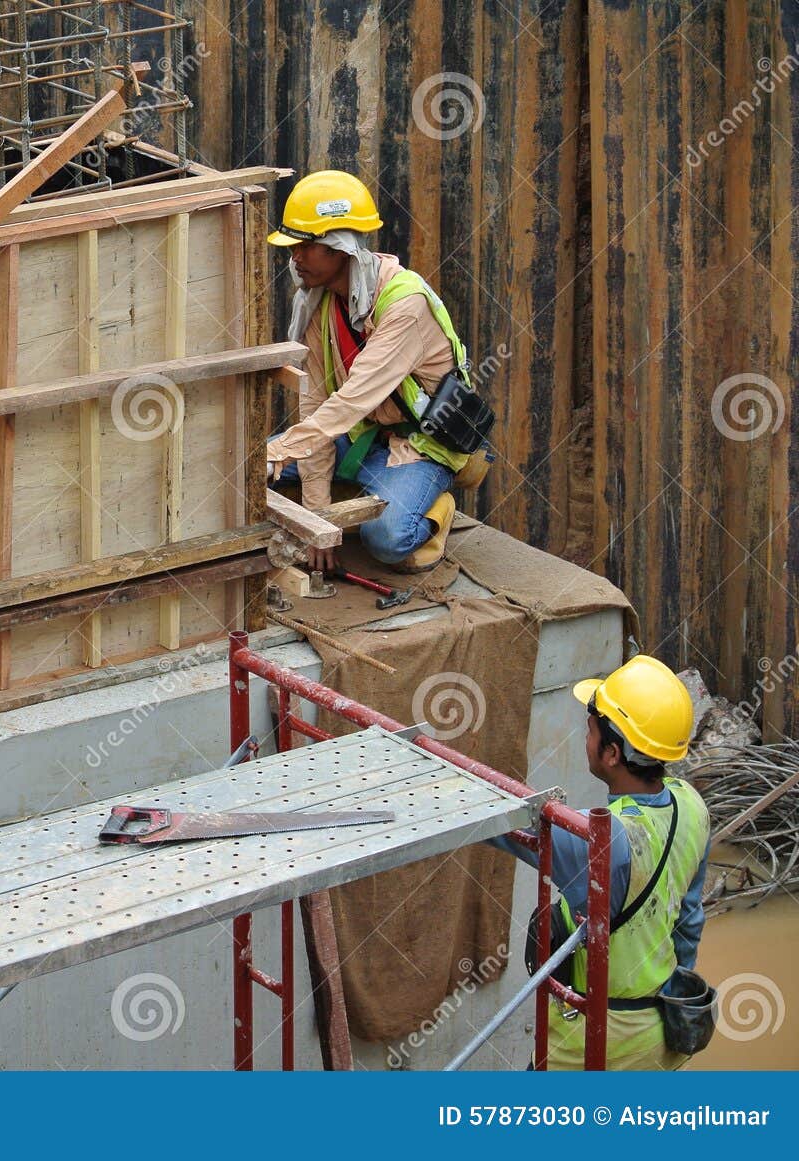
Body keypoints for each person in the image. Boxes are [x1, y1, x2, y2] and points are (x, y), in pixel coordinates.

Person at [488, 655, 710, 1069]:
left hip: (595, 1042)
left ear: (611, 752)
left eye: (589, 730)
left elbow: (495, 821)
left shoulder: (600, 839)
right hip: (664, 1035)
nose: (584, 738)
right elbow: (689, 920)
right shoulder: (691, 805)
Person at [263, 170, 482, 573]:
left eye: (305, 245)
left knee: (387, 540)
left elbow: (352, 398)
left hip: (417, 443)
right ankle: (367, 486)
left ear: (339, 247)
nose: (294, 256)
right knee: (248, 467)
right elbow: (316, 403)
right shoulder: (320, 302)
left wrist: (286, 448)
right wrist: (318, 516)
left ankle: (435, 508)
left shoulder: (404, 305)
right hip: (360, 434)